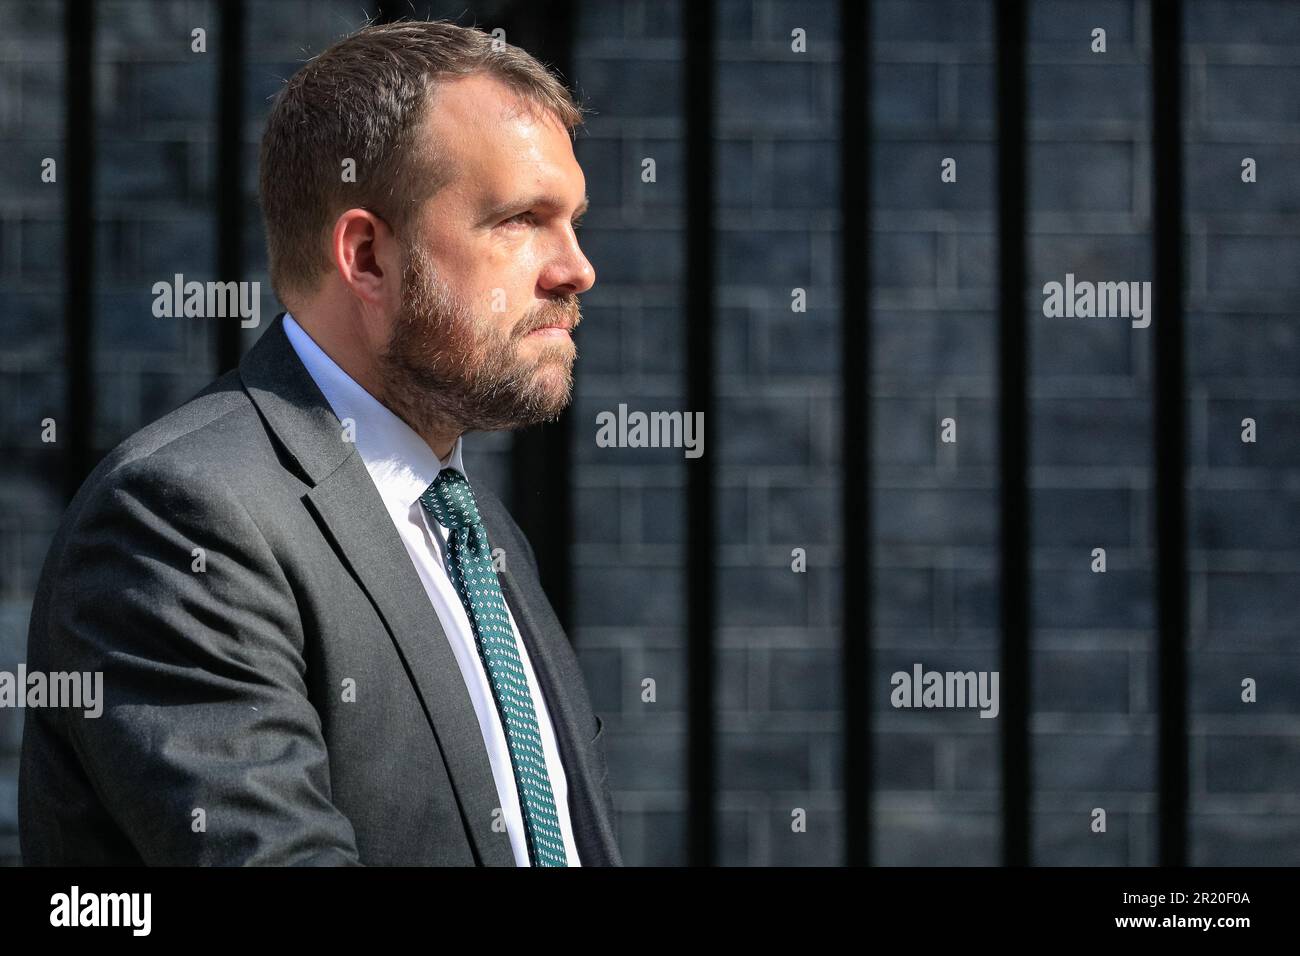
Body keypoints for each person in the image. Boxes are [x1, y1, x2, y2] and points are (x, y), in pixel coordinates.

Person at [19, 20, 619, 866]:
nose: (577, 267)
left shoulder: (469, 522)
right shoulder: (179, 520)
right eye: (522, 219)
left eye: (574, 220)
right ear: (367, 256)